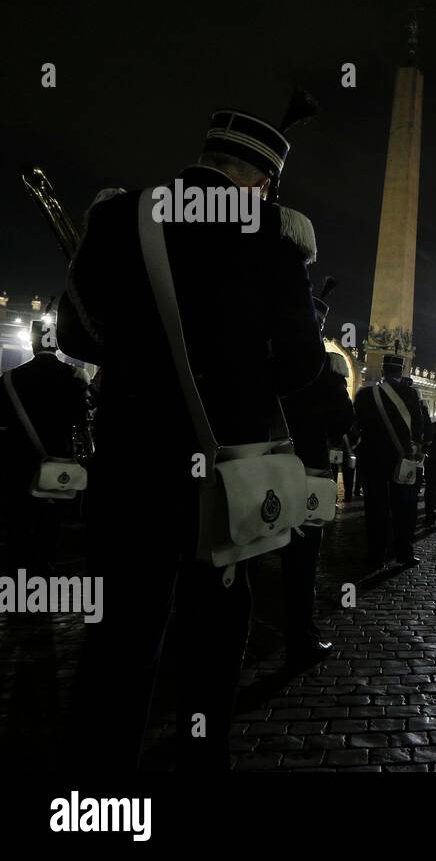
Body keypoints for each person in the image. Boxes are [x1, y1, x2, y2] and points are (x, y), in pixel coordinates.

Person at [57, 107, 325, 771]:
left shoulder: (120, 218)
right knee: (214, 636)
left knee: (118, 639)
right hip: (226, 478)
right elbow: (302, 366)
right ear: (261, 180)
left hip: (131, 464)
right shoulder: (272, 236)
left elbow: (74, 335)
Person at [280, 289, 354, 668]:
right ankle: (298, 638)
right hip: (307, 470)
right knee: (302, 558)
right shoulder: (324, 367)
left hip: (260, 468)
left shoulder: (264, 352)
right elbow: (343, 420)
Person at [0, 319, 89, 573]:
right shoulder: (75, 376)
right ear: (57, 344)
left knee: (18, 519)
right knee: (51, 522)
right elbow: (80, 420)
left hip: (18, 464)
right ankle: (43, 569)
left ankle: (16, 570)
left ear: (32, 342)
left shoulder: (9, 379)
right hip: (57, 462)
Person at [354, 354, 424, 569]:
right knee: (403, 508)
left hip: (372, 459)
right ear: (401, 371)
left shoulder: (365, 394)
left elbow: (355, 425)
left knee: (375, 508)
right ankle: (404, 552)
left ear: (383, 371)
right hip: (400, 460)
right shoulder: (411, 394)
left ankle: (375, 555)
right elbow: (419, 429)